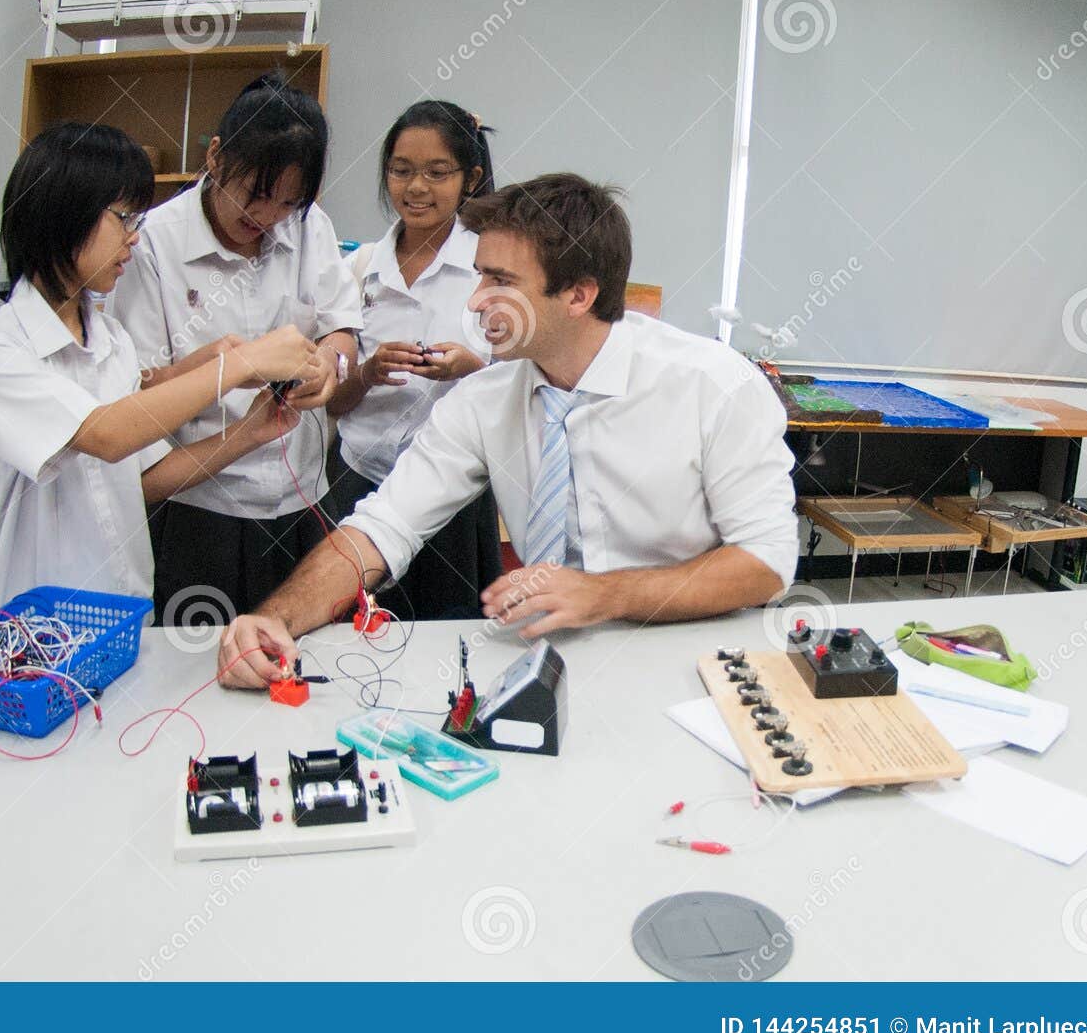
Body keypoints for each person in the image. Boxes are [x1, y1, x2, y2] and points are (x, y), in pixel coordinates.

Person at [217, 173, 799, 688]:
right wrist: (276, 619)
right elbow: (382, 527)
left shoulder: (715, 386)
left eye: (499, 281)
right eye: (479, 277)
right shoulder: (485, 399)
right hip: (547, 660)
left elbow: (767, 561)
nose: (474, 303)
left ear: (579, 294)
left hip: (690, 662)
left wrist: (605, 593)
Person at [0, 122, 318, 611]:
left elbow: (145, 477)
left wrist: (250, 432)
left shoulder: (111, 340)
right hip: (27, 623)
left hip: (120, 613)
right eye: (124, 218)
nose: (134, 238)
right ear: (64, 213)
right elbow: (108, 435)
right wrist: (239, 364)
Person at [111, 73, 361, 624]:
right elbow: (138, 389)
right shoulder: (153, 244)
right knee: (196, 661)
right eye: (256, 194)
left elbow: (342, 328)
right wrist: (225, 370)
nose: (267, 217)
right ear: (216, 156)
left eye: (288, 202)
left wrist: (330, 363)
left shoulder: (309, 227)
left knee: (305, 655)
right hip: (199, 508)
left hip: (302, 499)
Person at [326, 100, 501, 620]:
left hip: (454, 496)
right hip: (358, 482)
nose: (416, 187)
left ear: (470, 179)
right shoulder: (359, 268)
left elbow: (528, 389)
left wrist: (472, 367)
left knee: (449, 635)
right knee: (355, 634)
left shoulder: (490, 269)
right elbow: (332, 401)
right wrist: (368, 372)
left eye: (437, 172)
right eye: (401, 171)